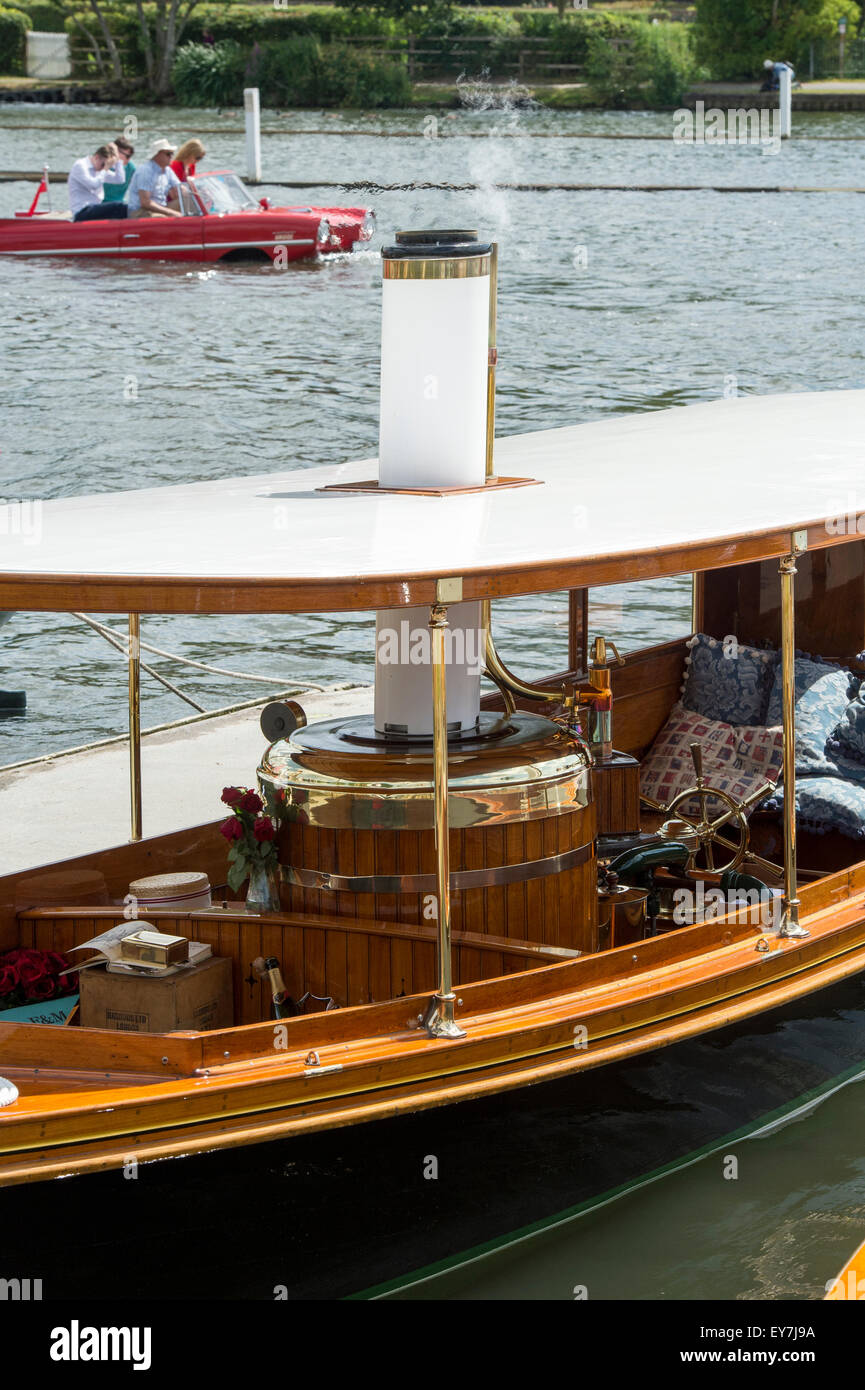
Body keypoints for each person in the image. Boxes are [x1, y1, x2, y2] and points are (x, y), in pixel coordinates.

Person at [67, 143, 128, 221]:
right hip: (81, 212)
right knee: (118, 206)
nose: (104, 167)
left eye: (106, 165)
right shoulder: (80, 166)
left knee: (123, 209)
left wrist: (117, 159)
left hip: (94, 209)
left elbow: (120, 180)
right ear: (96, 157)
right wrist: (105, 169)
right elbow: (93, 185)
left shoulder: (99, 169)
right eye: (103, 164)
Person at [126, 139, 183, 218]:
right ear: (157, 154)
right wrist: (170, 212)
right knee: (165, 218)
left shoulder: (167, 170)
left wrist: (197, 192)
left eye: (172, 153)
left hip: (159, 208)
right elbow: (145, 203)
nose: (171, 156)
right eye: (168, 154)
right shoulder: (145, 171)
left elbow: (181, 189)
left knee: (189, 201)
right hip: (140, 212)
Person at [102, 137, 135, 205]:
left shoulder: (131, 168)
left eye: (130, 156)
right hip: (99, 204)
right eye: (127, 156)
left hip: (119, 204)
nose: (129, 159)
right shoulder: (102, 164)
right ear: (116, 152)